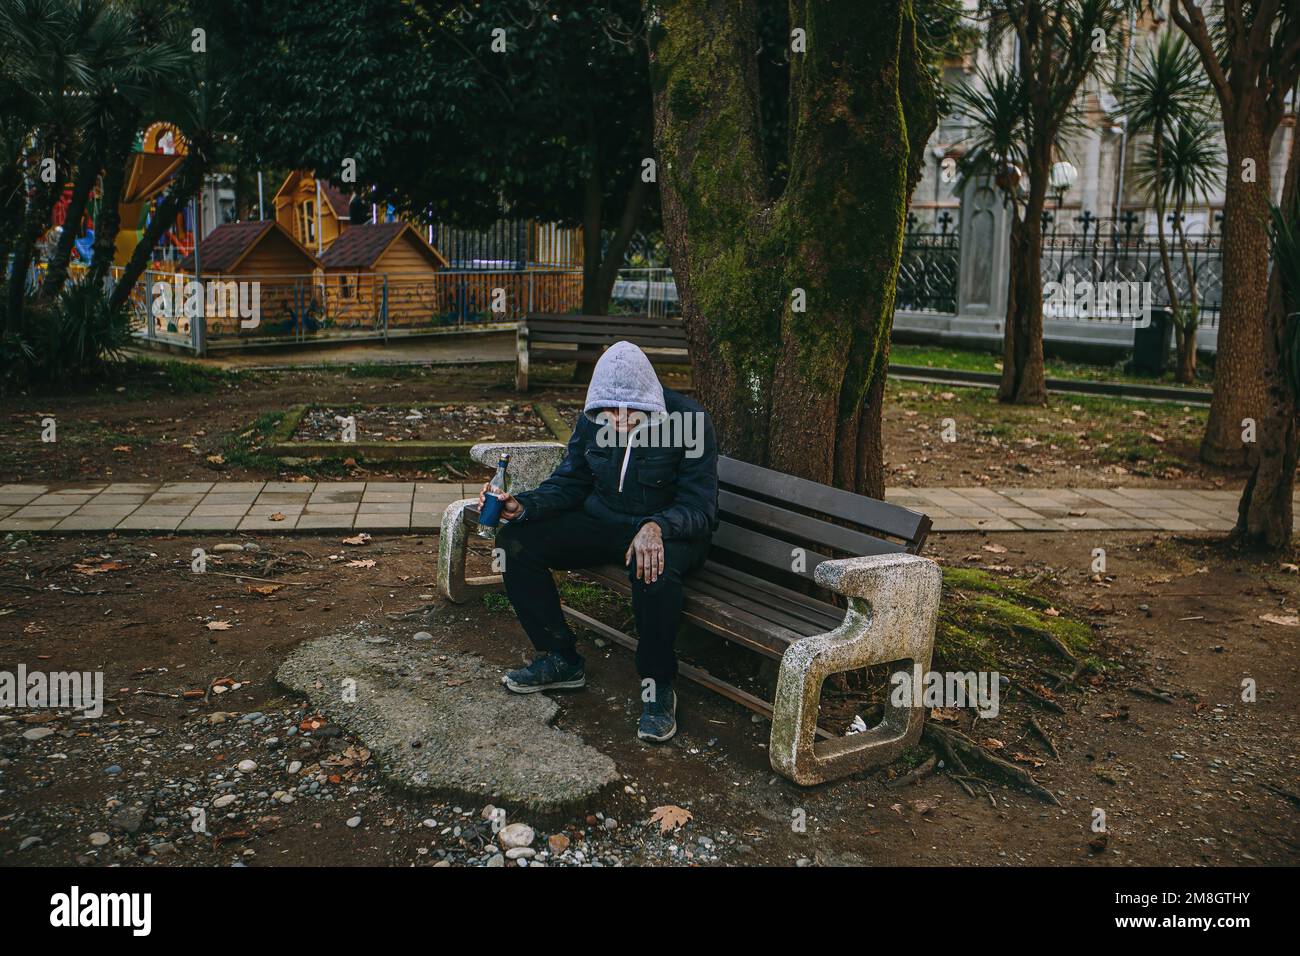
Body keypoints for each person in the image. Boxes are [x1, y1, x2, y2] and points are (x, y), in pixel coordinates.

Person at [481, 341, 718, 742]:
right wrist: (524, 506)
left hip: (671, 533)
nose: (620, 419)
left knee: (651, 570)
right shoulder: (594, 419)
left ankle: (657, 686)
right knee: (516, 543)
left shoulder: (690, 422)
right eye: (610, 409)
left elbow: (700, 508)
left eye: (630, 410)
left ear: (649, 398)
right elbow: (571, 480)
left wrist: (657, 526)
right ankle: (561, 658)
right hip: (604, 522)